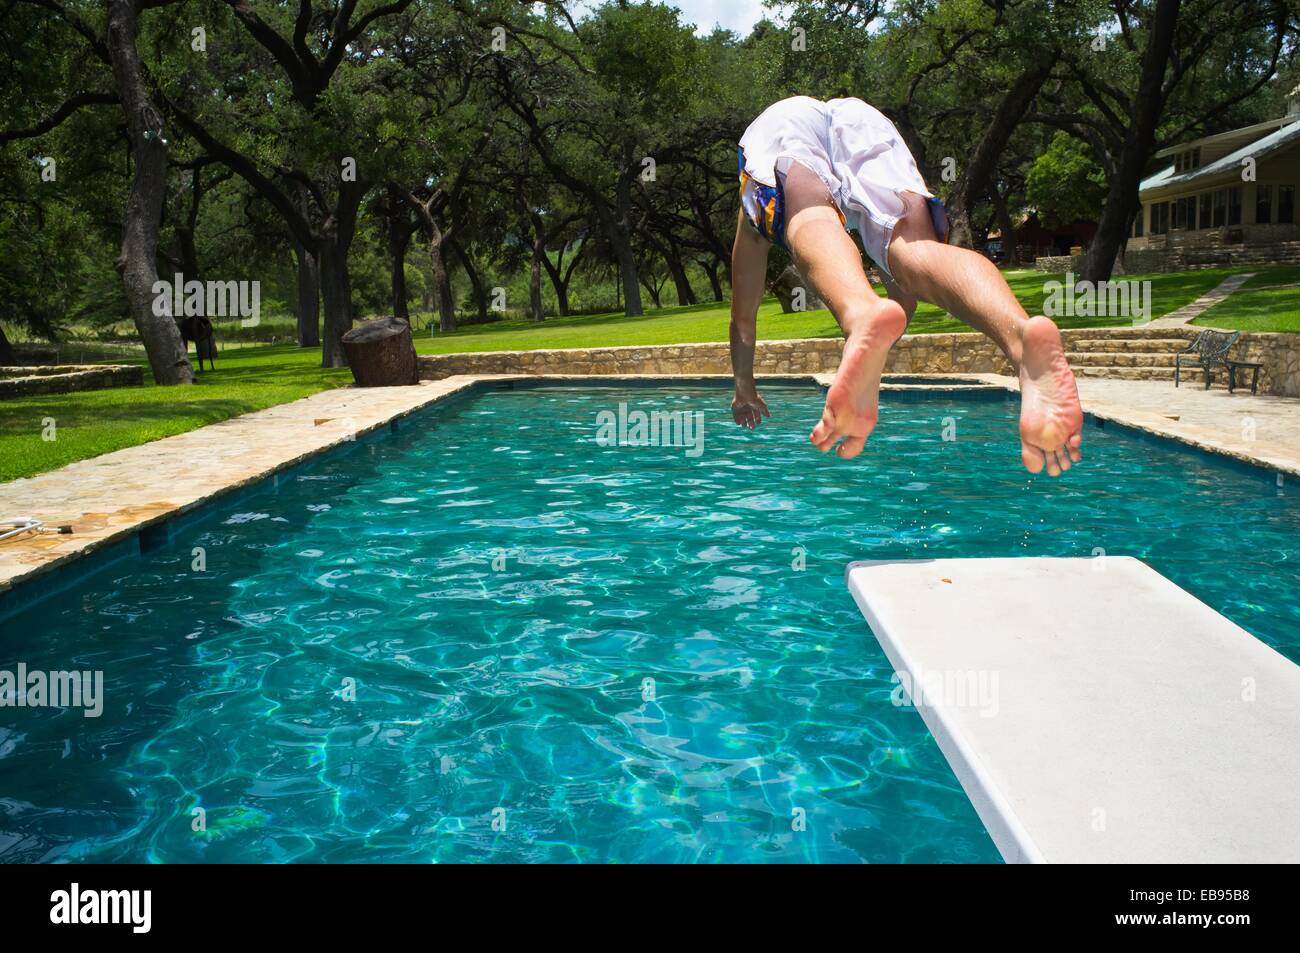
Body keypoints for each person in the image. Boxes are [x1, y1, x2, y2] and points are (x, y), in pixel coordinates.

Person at [729, 96, 1083, 476]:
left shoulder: (752, 225)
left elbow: (743, 321)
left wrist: (744, 387)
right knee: (915, 256)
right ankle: (1019, 338)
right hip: (863, 120)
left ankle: (858, 312)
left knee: (804, 212)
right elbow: (902, 306)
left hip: (785, 120)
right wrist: (867, 360)